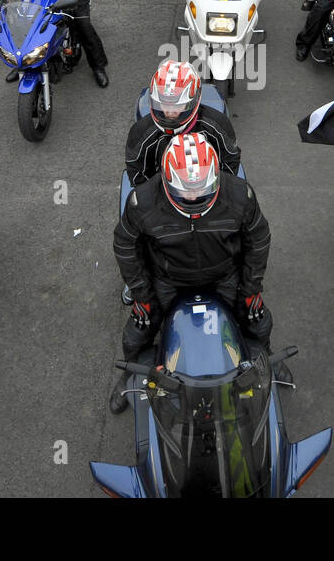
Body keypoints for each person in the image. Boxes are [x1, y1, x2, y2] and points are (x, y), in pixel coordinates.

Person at [109, 132, 278, 413]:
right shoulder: (142, 202)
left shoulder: (240, 195)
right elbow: (124, 244)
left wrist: (251, 288)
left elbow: (259, 238)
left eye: (201, 187)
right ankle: (129, 376)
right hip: (169, 279)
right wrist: (141, 293)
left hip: (224, 275)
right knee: (137, 331)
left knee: (258, 321)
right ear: (166, 180)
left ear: (215, 175)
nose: (193, 195)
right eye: (185, 190)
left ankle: (267, 364)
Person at [125, 61, 241, 185]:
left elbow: (230, 160)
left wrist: (214, 188)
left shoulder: (217, 124)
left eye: (178, 105)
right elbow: (137, 172)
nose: (169, 112)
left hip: (206, 187)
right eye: (163, 104)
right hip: (162, 190)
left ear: (194, 100)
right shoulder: (140, 132)